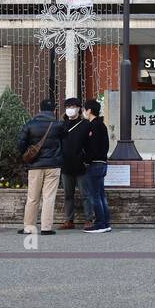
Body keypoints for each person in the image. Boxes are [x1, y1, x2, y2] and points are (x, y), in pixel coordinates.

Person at [16, 99, 64, 236]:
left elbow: (20, 145)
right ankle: (46, 228)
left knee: (33, 197)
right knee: (49, 197)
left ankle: (29, 227)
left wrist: (28, 153)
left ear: (40, 109)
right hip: (53, 165)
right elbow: (65, 143)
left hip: (35, 166)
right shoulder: (58, 125)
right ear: (54, 110)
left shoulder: (30, 124)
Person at [57, 97, 93, 231]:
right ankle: (69, 220)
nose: (70, 110)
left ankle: (89, 219)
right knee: (67, 195)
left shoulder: (85, 125)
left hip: (81, 166)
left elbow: (90, 145)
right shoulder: (61, 125)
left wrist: (86, 160)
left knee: (86, 195)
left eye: (73, 107)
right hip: (65, 165)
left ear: (79, 109)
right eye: (68, 107)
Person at [80, 99, 112, 233]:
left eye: (84, 110)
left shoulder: (93, 126)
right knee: (101, 195)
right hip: (103, 163)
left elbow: (92, 148)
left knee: (95, 196)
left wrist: (86, 160)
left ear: (89, 110)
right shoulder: (102, 125)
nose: (83, 112)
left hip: (95, 164)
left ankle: (100, 223)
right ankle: (105, 222)